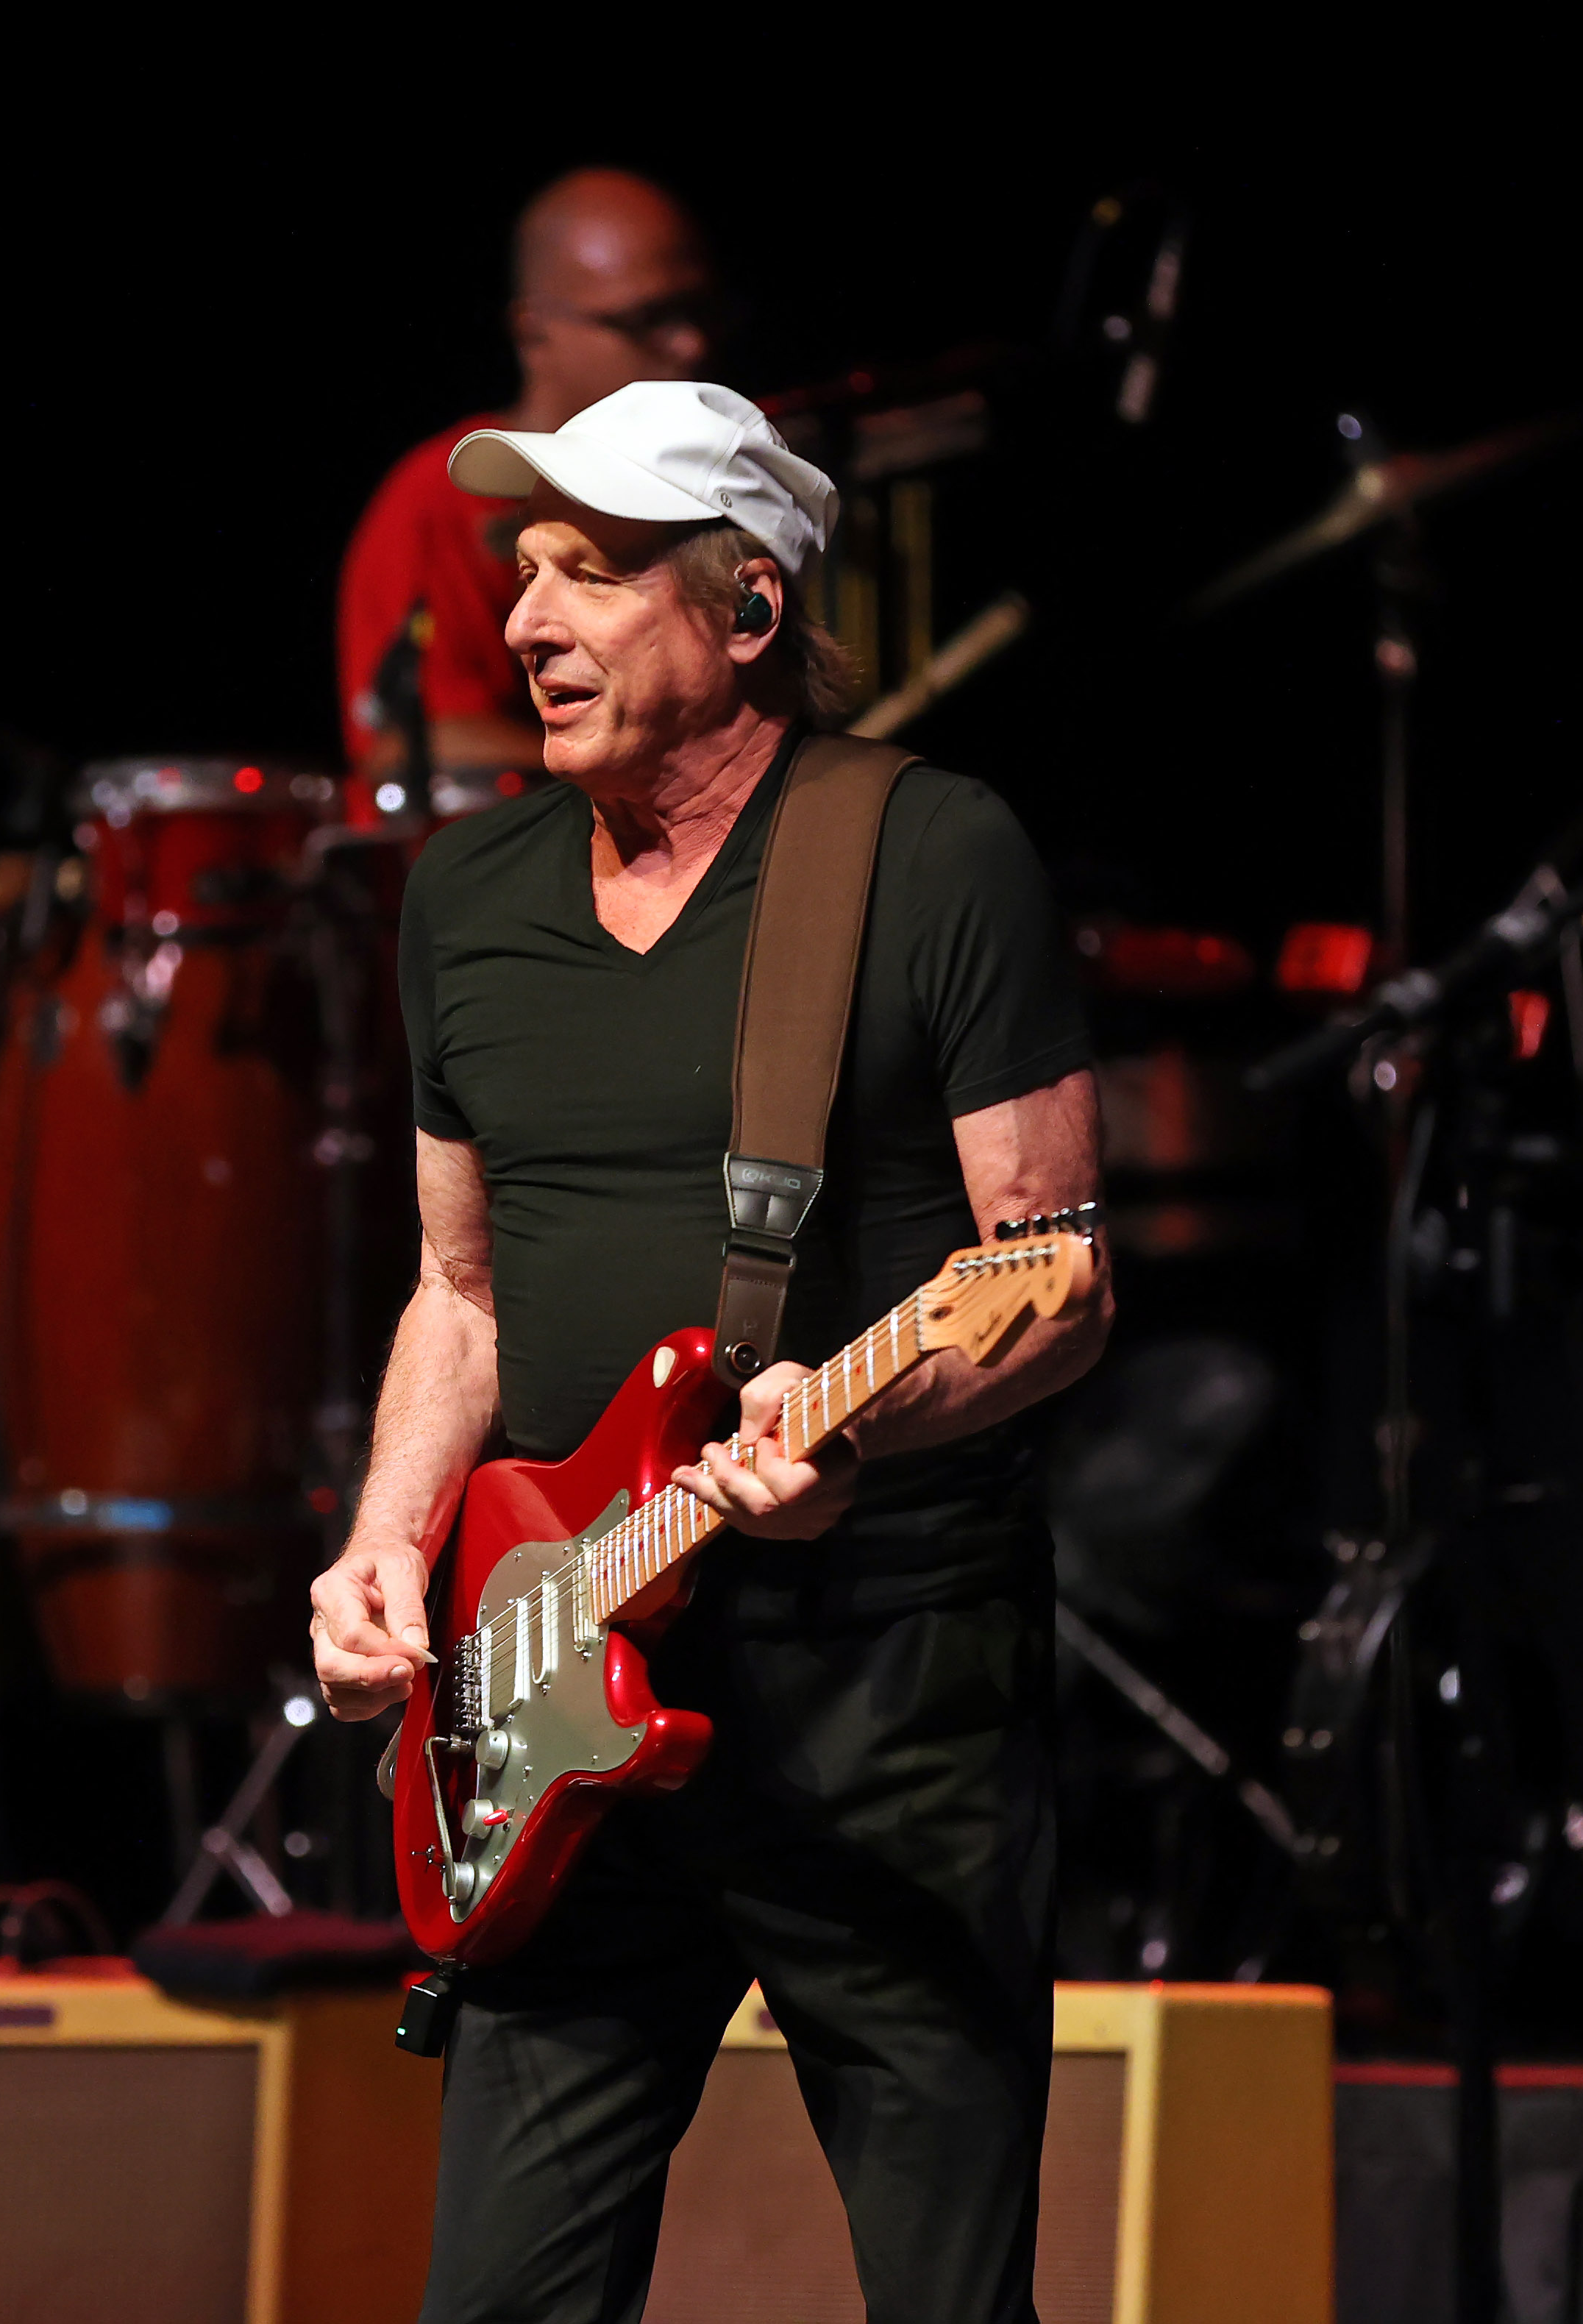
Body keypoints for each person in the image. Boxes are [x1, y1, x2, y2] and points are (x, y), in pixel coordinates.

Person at [306, 380, 1109, 2324]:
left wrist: (871, 1418)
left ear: (749, 608)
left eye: (592, 568)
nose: (525, 618)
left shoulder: (930, 853)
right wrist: (387, 1544)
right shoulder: (470, 900)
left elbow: (1059, 1272)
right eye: (524, 568)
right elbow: (463, 1290)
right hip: (558, 1687)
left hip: (886, 1695)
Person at [334, 170, 724, 811]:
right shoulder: (438, 498)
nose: (691, 344)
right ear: (533, 331)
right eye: (648, 319)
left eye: (697, 310)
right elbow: (409, 744)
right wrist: (668, 757)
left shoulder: (719, 479)